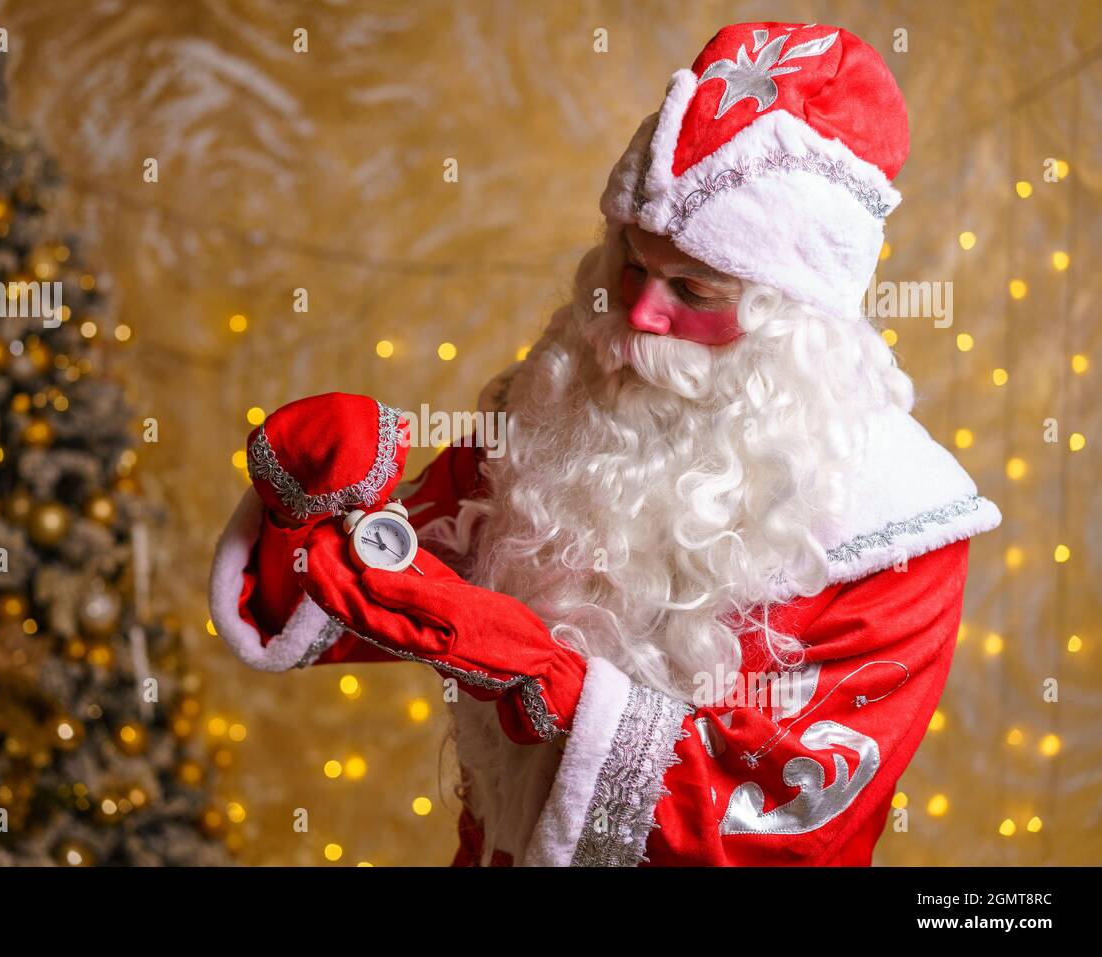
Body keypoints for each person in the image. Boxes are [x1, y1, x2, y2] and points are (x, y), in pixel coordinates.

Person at [209, 21, 1001, 866]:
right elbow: (362, 602)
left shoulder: (898, 532)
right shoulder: (564, 397)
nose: (641, 313)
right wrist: (309, 497)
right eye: (632, 262)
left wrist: (545, 681)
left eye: (695, 288)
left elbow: (776, 824)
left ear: (792, 313)